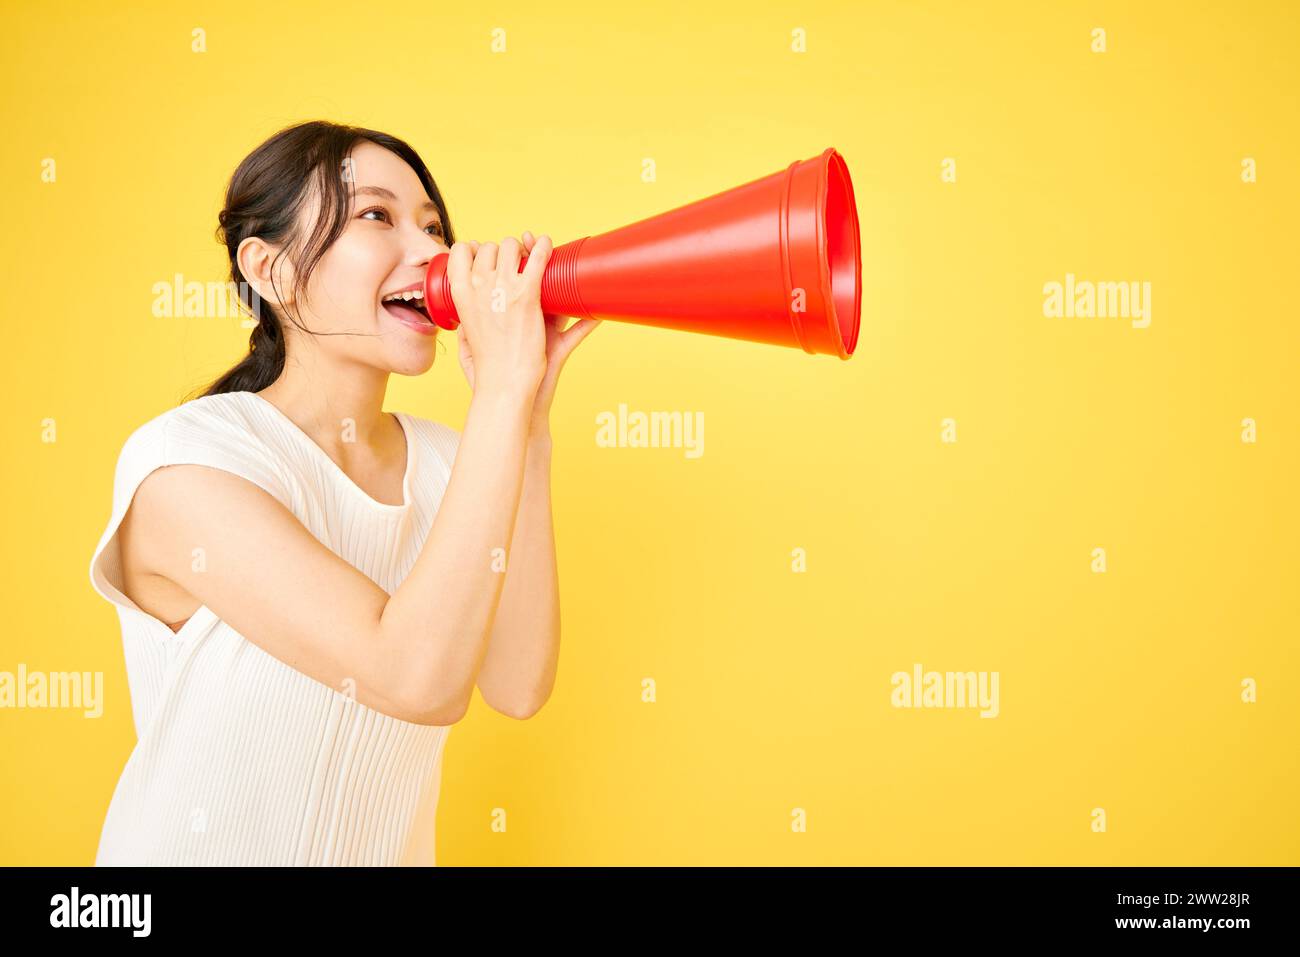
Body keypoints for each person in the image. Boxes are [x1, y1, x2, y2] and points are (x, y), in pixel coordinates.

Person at [87, 120, 599, 865]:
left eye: (433, 225)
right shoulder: (185, 461)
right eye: (376, 215)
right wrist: (500, 399)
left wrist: (529, 419)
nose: (434, 253)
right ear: (272, 270)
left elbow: (518, 685)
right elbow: (409, 677)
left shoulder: (456, 462)